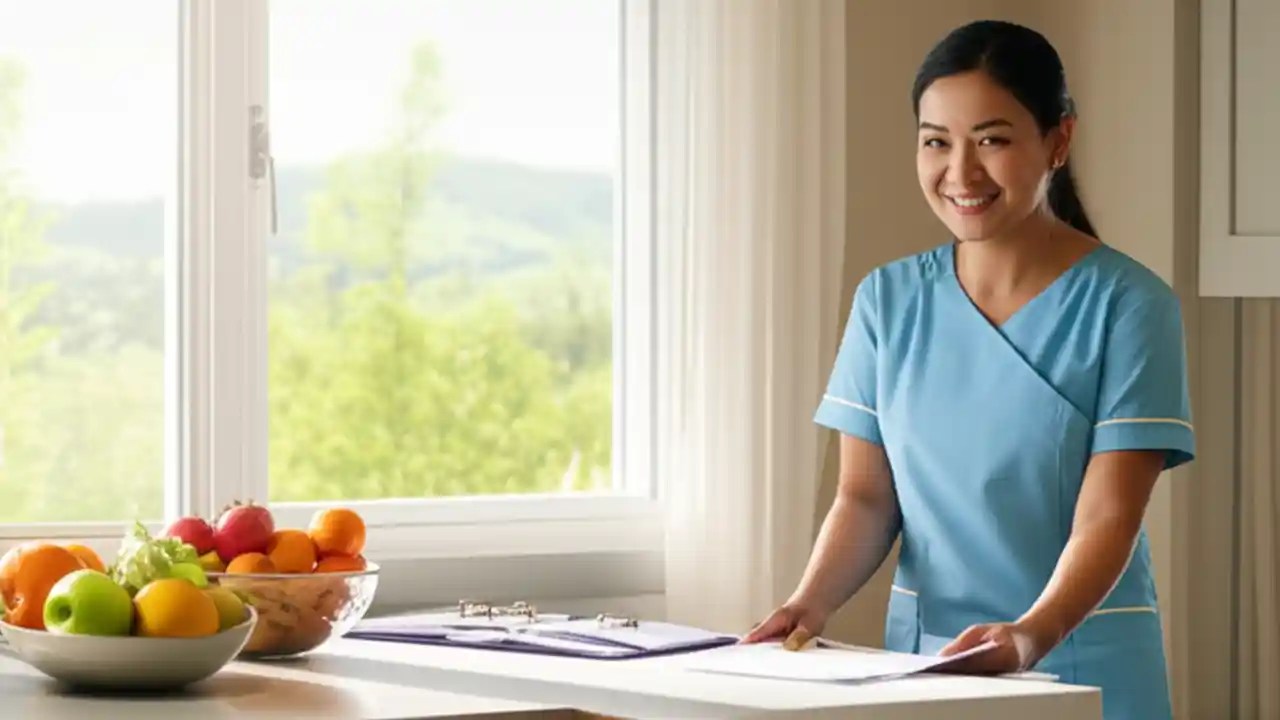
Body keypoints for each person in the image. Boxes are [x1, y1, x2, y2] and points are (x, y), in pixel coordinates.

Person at [742, 19, 1194, 720]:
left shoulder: (1130, 305)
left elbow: (1110, 514)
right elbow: (865, 499)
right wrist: (807, 607)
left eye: (992, 139)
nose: (961, 172)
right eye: (936, 142)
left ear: (1058, 141)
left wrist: (1031, 635)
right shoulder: (887, 301)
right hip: (932, 666)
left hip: (1084, 661)